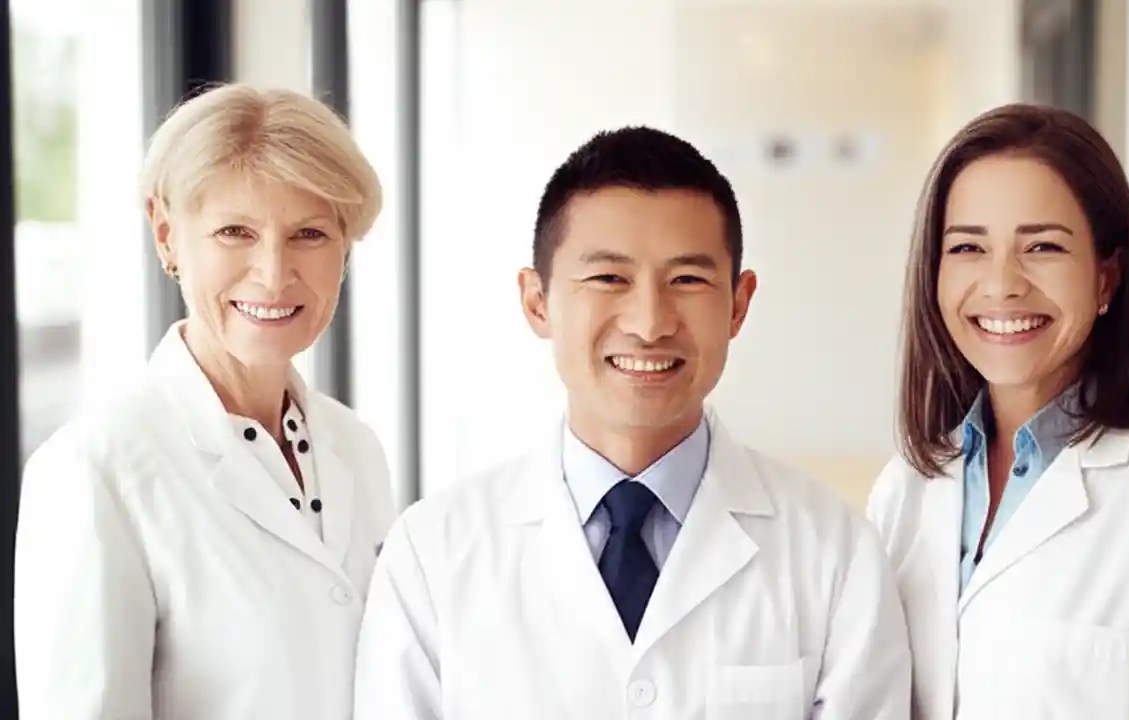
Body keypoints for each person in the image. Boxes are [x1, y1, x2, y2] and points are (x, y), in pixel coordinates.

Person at [352, 127, 911, 719]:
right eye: (608, 278)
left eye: (688, 280)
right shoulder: (434, 556)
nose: (650, 323)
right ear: (537, 301)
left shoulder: (833, 551)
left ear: (738, 305)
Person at [867, 103, 1129, 719]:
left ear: (1107, 278)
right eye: (967, 248)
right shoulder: (906, 490)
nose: (1002, 284)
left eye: (1042, 246)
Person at [14, 83, 396, 719]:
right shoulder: (94, 470)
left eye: (309, 233)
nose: (273, 274)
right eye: (235, 232)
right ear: (167, 235)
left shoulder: (356, 447)